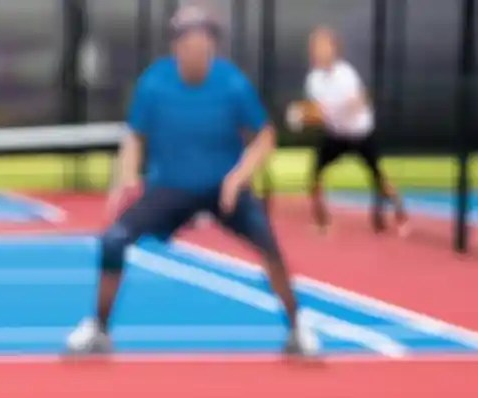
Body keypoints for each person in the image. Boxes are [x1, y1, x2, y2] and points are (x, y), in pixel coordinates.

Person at [65, 5, 319, 357]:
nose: (197, 48)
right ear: (176, 46)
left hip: (223, 191)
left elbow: (264, 137)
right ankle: (99, 329)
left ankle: (296, 327)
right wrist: (128, 178)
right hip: (169, 189)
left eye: (204, 40)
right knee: (113, 240)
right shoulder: (154, 83)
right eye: (188, 41)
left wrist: (237, 179)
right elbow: (135, 136)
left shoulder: (232, 84)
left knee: (270, 249)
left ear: (212, 45)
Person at [303, 26, 408, 236]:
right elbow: (316, 111)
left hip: (360, 135)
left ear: (334, 49)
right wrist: (306, 115)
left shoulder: (346, 74)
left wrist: (333, 111)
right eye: (314, 47)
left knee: (379, 179)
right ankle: (323, 222)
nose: (317, 51)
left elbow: (359, 102)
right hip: (336, 136)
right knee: (314, 177)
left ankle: (400, 213)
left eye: (322, 46)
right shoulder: (313, 79)